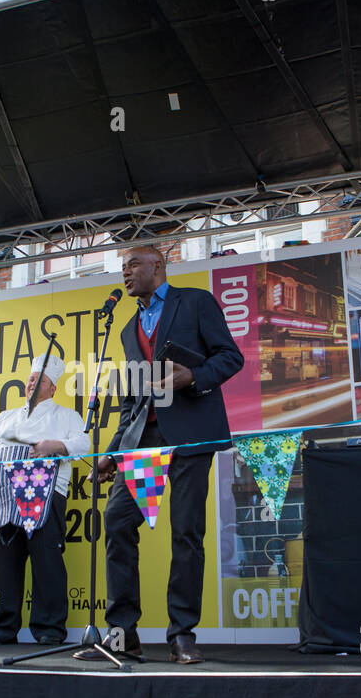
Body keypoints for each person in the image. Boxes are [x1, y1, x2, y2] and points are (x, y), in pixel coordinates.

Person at [77, 245, 244, 664]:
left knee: (186, 532)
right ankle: (122, 635)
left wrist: (194, 375)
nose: (125, 273)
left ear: (158, 265)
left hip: (190, 436)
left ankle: (182, 634)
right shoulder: (127, 327)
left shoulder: (196, 302)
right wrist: (114, 452)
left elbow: (231, 357)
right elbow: (132, 401)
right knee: (117, 521)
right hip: (144, 440)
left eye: (133, 265)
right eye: (122, 268)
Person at [0, 353, 88, 645]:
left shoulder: (66, 417)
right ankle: (4, 629)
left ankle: (49, 629)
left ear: (53, 389)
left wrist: (55, 445)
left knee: (47, 563)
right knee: (6, 565)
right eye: (31, 378)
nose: (33, 382)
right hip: (3, 498)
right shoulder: (5, 418)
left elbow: (83, 444)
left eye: (41, 380)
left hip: (46, 496)